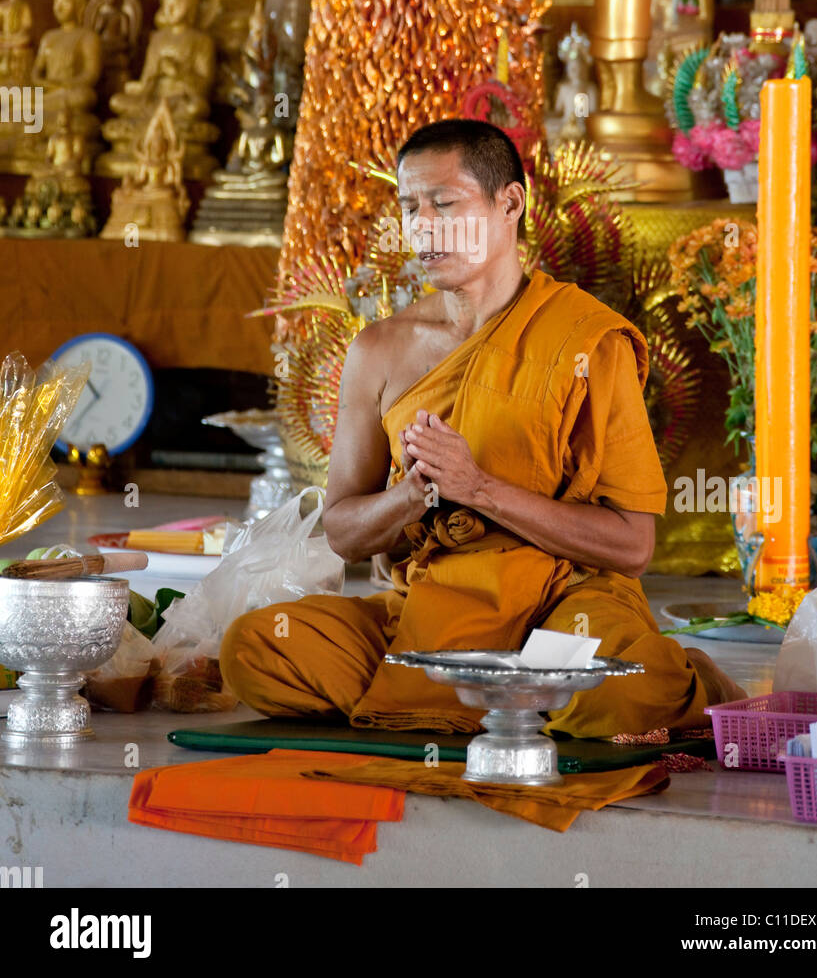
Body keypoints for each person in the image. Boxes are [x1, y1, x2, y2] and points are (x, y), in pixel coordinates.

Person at [221, 119, 743, 736]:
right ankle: (500, 699)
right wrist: (409, 497)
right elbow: (343, 531)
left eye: (444, 203)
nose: (424, 227)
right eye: (410, 207)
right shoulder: (381, 350)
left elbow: (632, 546)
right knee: (254, 649)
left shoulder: (585, 339)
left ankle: (683, 683)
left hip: (563, 603)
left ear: (510, 203)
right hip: (434, 604)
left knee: (613, 692)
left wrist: (480, 488)